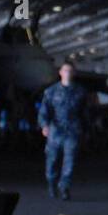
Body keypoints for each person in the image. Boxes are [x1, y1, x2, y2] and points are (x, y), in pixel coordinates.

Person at [38, 61, 90, 201]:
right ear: (60, 72)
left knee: (70, 162)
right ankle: (51, 183)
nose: (67, 73)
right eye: (65, 70)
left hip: (73, 130)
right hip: (56, 131)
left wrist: (86, 130)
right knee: (52, 160)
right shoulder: (51, 92)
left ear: (74, 73)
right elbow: (44, 111)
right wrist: (44, 125)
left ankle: (64, 187)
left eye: (70, 70)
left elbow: (85, 113)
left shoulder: (80, 92)